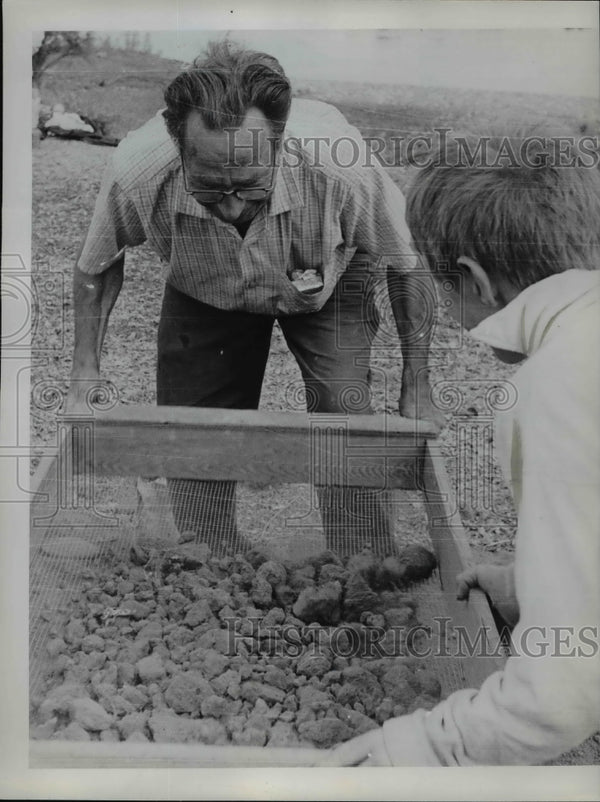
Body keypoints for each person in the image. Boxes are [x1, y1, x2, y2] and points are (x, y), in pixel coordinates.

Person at [67, 41, 437, 556]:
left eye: (248, 185)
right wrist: (85, 369)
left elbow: (407, 264)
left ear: (279, 144)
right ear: (179, 147)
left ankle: (361, 560)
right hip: (205, 286)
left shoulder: (340, 171)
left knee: (342, 408)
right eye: (211, 188)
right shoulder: (138, 171)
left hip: (325, 281)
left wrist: (416, 383)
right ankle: (212, 554)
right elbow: (96, 266)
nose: (233, 205)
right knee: (191, 424)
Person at [321, 132, 600, 765]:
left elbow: (557, 701)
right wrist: (534, 585)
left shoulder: (558, 382)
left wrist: (423, 746)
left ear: (474, 281)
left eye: (447, 292)